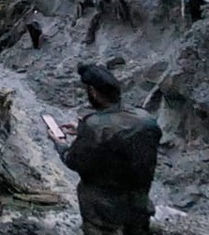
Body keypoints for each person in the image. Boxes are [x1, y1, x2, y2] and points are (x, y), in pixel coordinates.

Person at [48, 63, 161, 235]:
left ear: (93, 91)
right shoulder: (146, 119)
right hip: (139, 203)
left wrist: (60, 143)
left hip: (104, 210)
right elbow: (120, 135)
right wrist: (82, 129)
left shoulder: (94, 126)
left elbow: (74, 161)